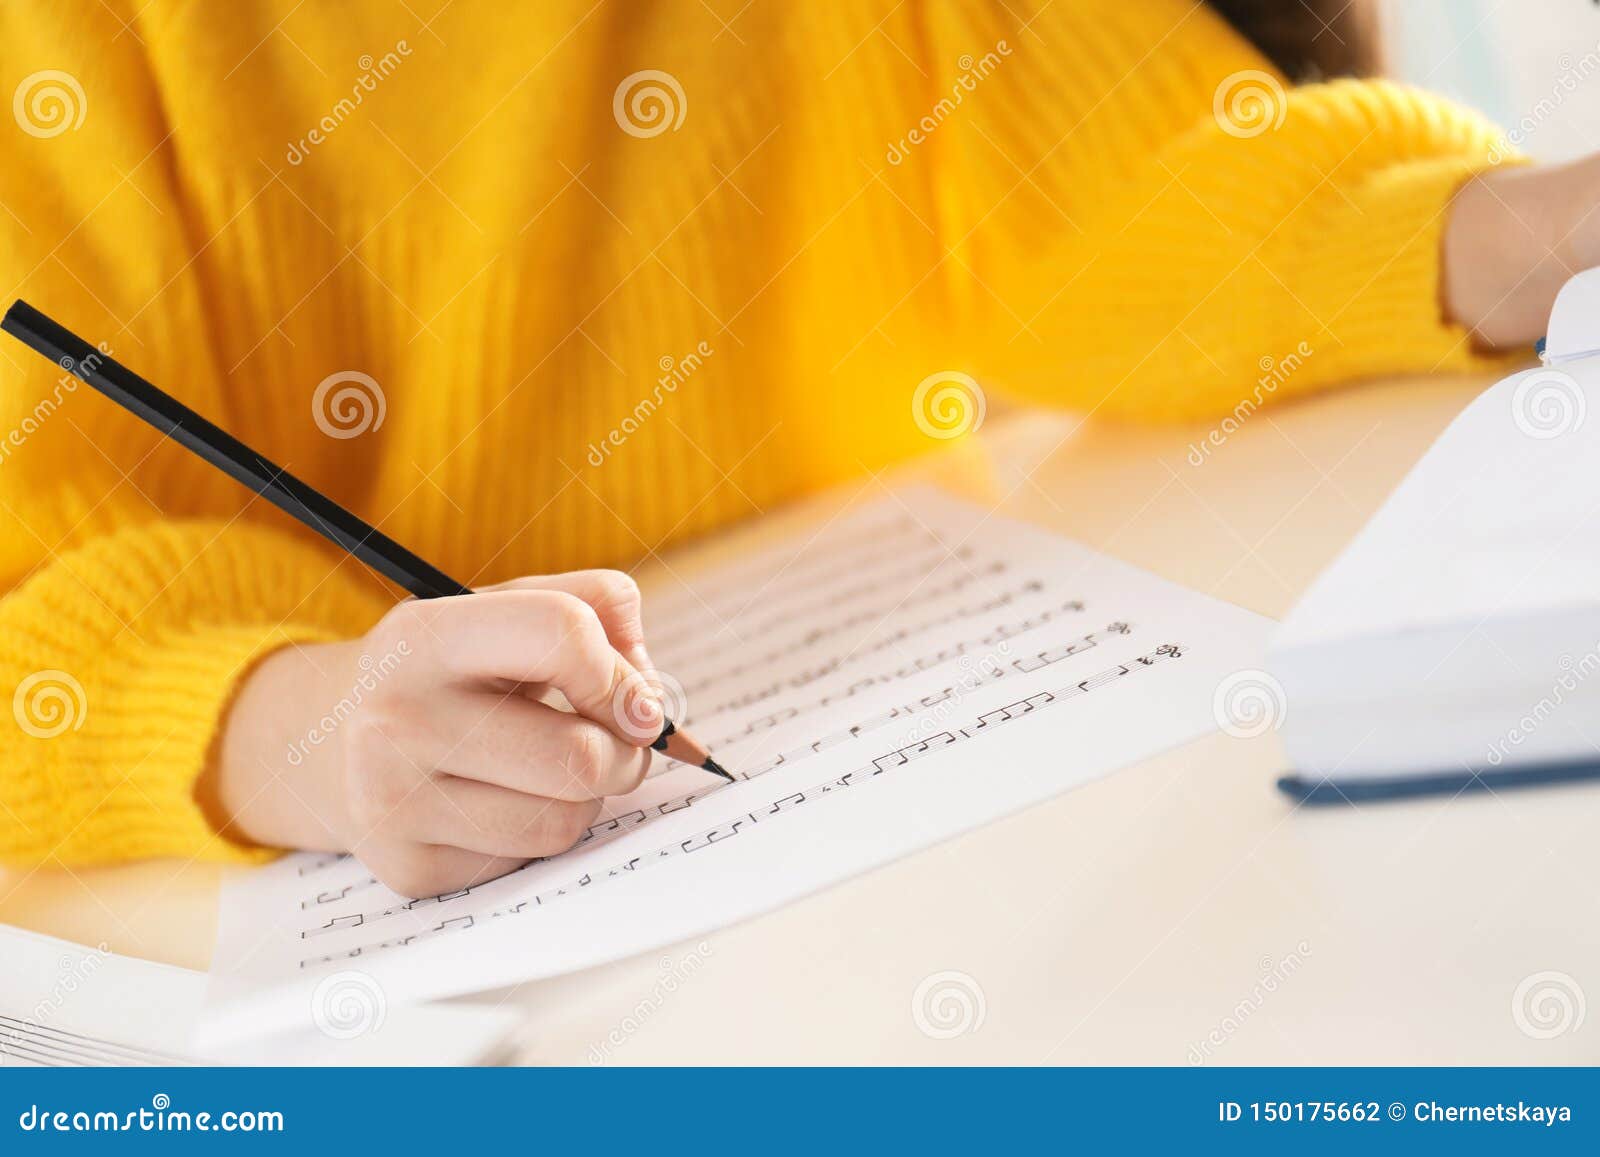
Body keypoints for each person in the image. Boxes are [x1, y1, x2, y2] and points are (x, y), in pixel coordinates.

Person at [0, 1, 1581, 896]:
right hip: (374, 955)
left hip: (911, 791)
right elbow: (29, 604)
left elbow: (1132, 184)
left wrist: (1515, 231)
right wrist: (305, 723)